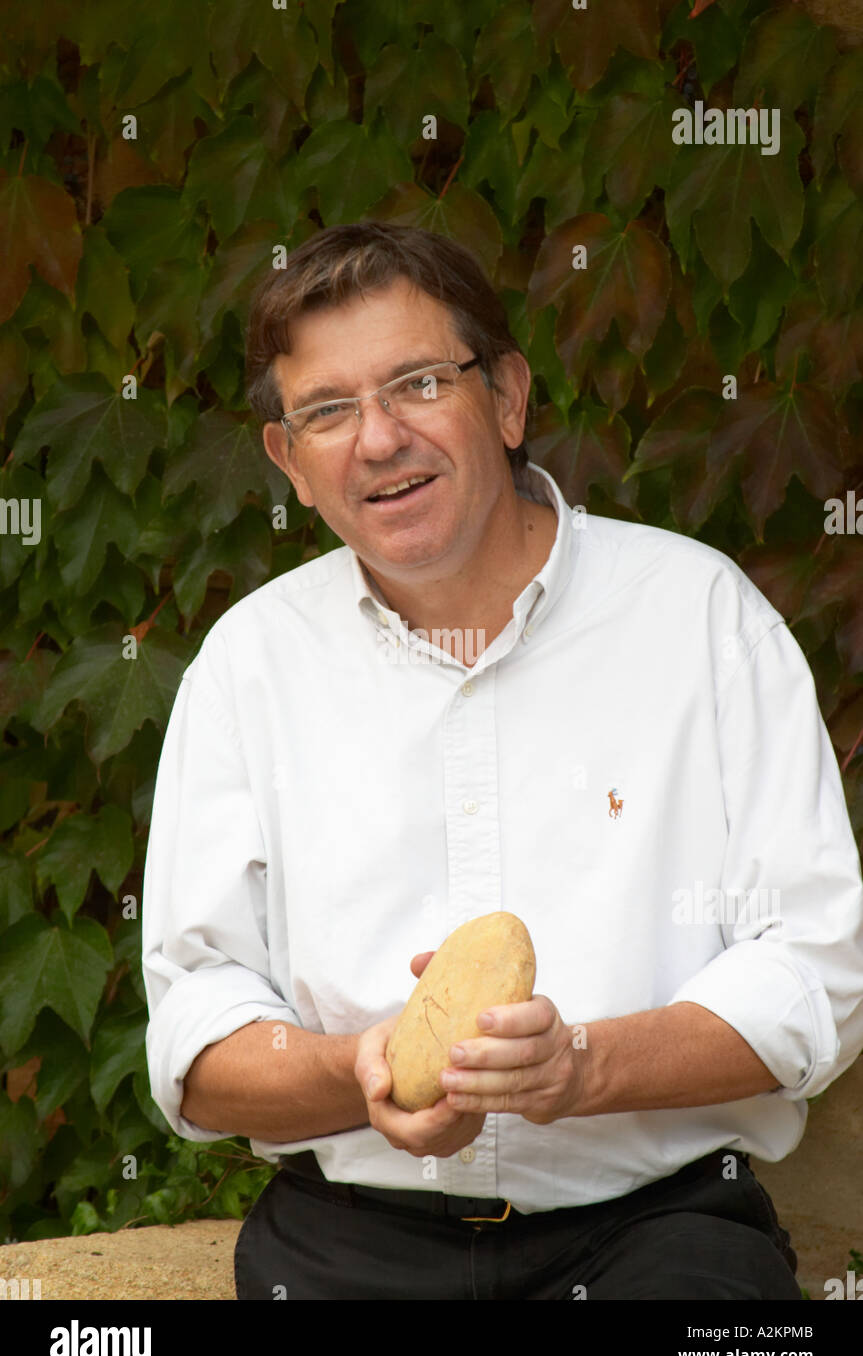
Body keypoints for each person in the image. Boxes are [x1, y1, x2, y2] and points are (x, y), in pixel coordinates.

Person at [141, 221, 863, 1301]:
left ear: (509, 399)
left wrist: (581, 1066)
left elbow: (815, 975)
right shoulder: (248, 665)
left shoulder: (700, 617)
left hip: (657, 1238)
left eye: (419, 383)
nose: (377, 438)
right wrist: (359, 1067)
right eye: (327, 411)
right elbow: (196, 1031)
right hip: (347, 1245)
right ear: (288, 462)